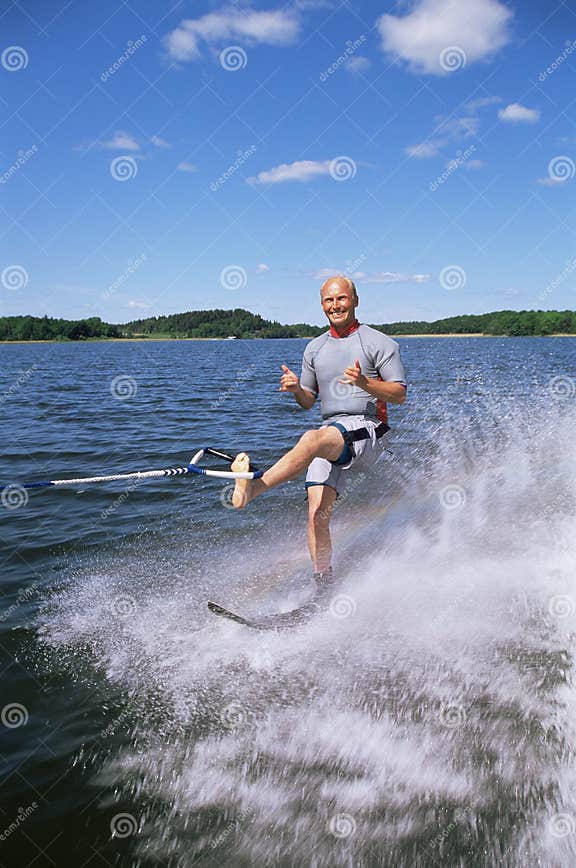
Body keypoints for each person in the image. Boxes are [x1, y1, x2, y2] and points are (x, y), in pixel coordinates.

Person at [231, 275, 406, 588]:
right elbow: (308, 403)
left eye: (341, 299)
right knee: (316, 514)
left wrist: (365, 384)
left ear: (355, 301)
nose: (335, 306)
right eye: (329, 300)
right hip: (331, 432)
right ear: (322, 304)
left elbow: (399, 393)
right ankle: (323, 584)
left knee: (311, 439)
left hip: (368, 429)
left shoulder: (378, 342)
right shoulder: (314, 348)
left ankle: (255, 488)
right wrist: (297, 388)